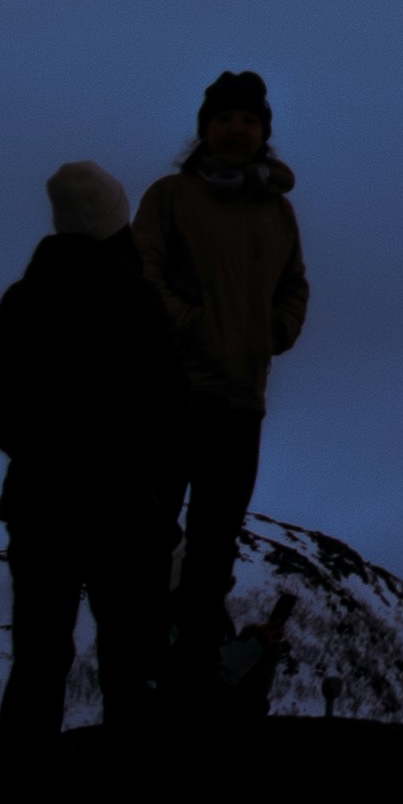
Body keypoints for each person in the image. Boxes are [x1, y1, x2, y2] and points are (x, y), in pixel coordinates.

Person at [0, 160, 184, 750]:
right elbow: (170, 404)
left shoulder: (22, 299)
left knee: (38, 657)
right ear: (116, 221)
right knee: (128, 659)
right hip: (124, 505)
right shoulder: (138, 299)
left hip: (39, 502)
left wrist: (42, 453)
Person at [131, 68, 310, 705]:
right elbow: (141, 273)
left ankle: (194, 684)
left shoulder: (277, 210)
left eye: (249, 120)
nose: (237, 128)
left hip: (241, 403)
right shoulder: (170, 197)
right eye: (225, 118)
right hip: (173, 394)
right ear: (205, 129)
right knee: (150, 539)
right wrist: (193, 326)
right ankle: (140, 676)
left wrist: (276, 332)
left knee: (214, 548)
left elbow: (294, 284)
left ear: (263, 133)